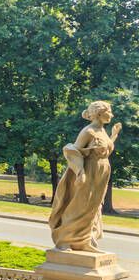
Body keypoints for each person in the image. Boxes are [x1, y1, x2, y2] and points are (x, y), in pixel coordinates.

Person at [49, 100, 122, 252]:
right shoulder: (88, 131)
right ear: (99, 113)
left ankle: (84, 241)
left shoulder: (102, 131)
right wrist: (80, 172)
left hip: (101, 174)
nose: (112, 115)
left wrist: (113, 136)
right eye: (109, 111)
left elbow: (105, 150)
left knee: (93, 208)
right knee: (80, 207)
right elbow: (72, 151)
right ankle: (64, 240)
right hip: (89, 172)